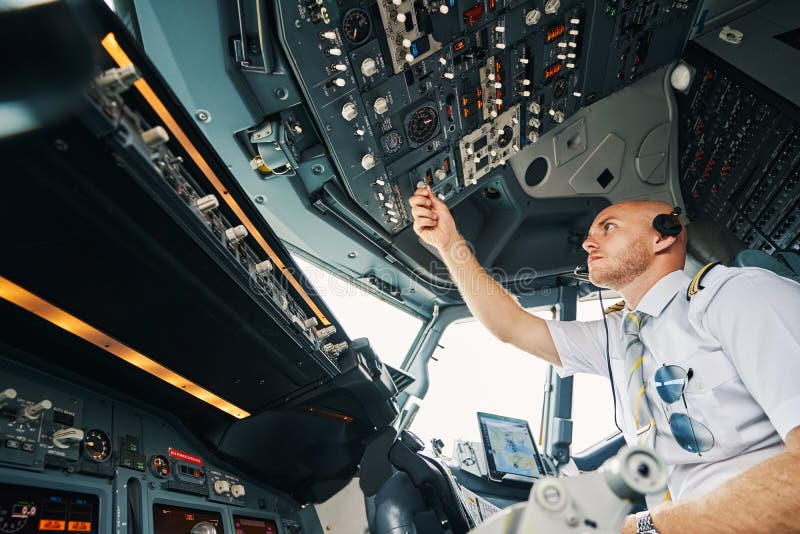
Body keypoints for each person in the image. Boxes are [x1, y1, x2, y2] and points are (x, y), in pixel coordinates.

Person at [408, 185, 800, 533]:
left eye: (608, 227)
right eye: (590, 234)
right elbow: (511, 326)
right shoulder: (620, 337)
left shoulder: (739, 296)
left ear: (664, 235)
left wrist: (642, 529)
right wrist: (449, 244)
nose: (588, 243)